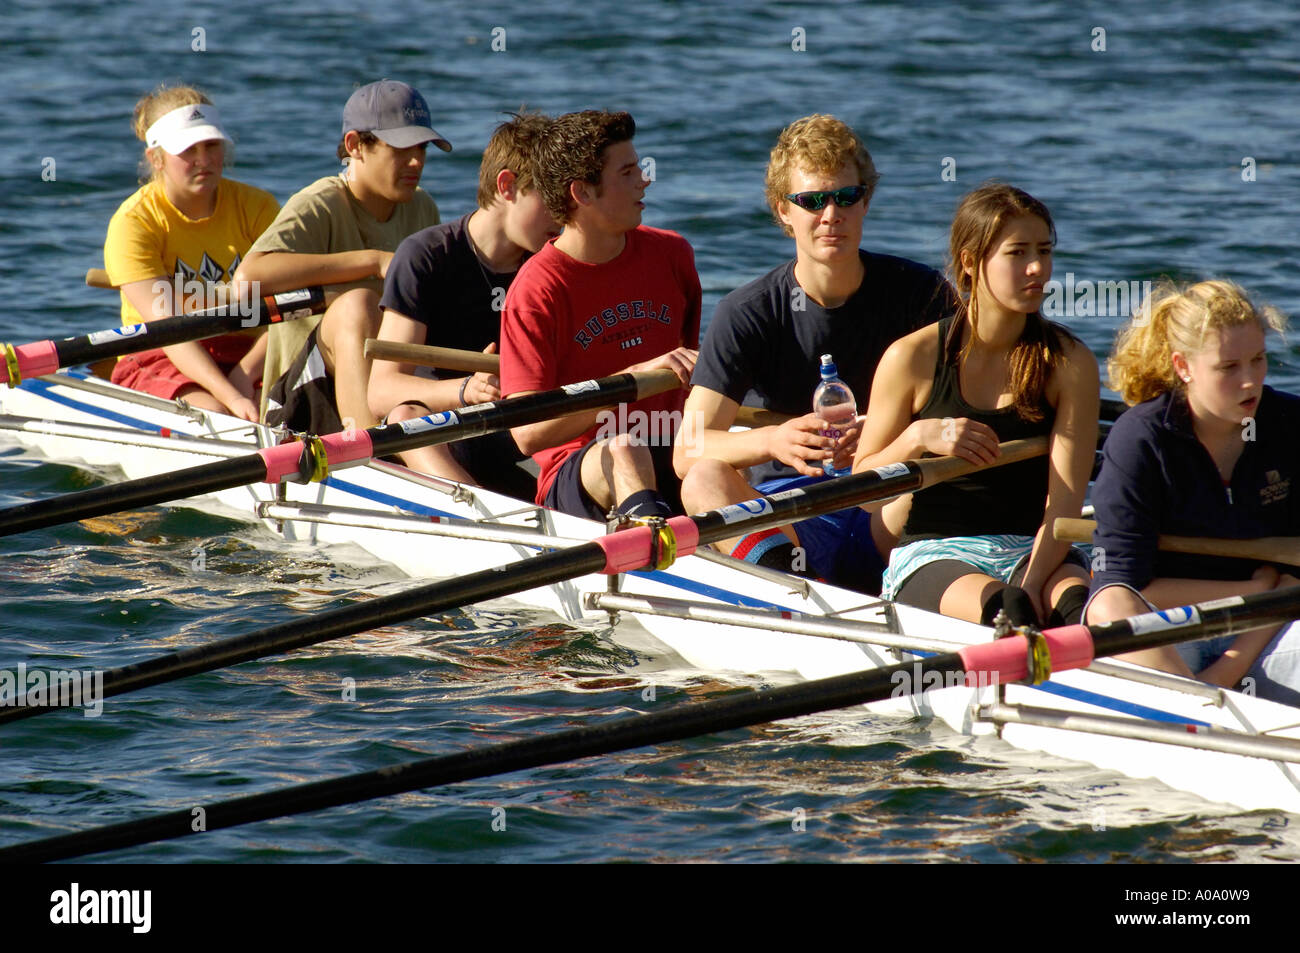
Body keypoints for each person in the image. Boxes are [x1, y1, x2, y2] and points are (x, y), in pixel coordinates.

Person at [673, 114, 957, 593]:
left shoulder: (922, 294)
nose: (831, 215)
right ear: (783, 211)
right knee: (702, 481)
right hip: (789, 510)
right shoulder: (747, 312)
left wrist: (884, 432)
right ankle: (792, 584)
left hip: (885, 495)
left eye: (846, 197)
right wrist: (774, 441)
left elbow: (968, 405)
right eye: (812, 201)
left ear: (866, 200)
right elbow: (688, 448)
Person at [853, 183, 1100, 628]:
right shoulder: (911, 358)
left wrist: (1033, 581)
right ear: (970, 262)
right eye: (1017, 253)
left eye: (1044, 251)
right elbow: (865, 493)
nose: (1037, 268)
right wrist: (918, 436)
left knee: (1079, 613)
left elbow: (1066, 505)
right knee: (1010, 611)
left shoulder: (1069, 362)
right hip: (936, 551)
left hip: (1040, 547)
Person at [1085, 279, 1300, 702]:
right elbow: (1125, 587)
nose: (1249, 382)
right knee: (1109, 607)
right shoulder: (1140, 439)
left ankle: (1199, 703)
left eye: (1258, 360)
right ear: (1183, 366)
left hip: (1268, 621)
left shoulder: (1289, 425)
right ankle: (1195, 711)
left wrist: (1227, 671)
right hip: (1165, 622)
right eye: (1228, 367)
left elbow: (1293, 581)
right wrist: (1251, 591)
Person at [499, 110, 700, 520]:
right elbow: (527, 432)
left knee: (723, 459)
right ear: (583, 193)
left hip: (672, 440)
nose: (644, 180)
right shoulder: (538, 289)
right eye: (627, 172)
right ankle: (653, 557)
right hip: (585, 465)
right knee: (624, 445)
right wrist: (630, 382)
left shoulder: (672, 254)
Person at [234, 80, 447, 433]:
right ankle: (373, 453)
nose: (416, 161)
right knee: (357, 303)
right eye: (401, 147)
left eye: (423, 147)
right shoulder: (320, 204)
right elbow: (247, 281)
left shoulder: (423, 208)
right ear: (355, 146)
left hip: (388, 386)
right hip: (300, 405)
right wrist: (374, 261)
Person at [368, 112, 558, 498]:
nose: (563, 216)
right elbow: (382, 391)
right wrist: (467, 391)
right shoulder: (426, 257)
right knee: (405, 417)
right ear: (507, 186)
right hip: (448, 427)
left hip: (521, 426)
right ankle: (483, 520)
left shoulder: (551, 263)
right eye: (550, 198)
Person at [104, 84, 279, 420]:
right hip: (159, 352)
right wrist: (231, 395)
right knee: (213, 412)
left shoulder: (258, 207)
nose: (204, 160)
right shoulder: (134, 223)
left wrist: (244, 377)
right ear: (155, 157)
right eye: (187, 149)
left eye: (211, 145)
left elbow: (289, 310)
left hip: (250, 350)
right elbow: (169, 331)